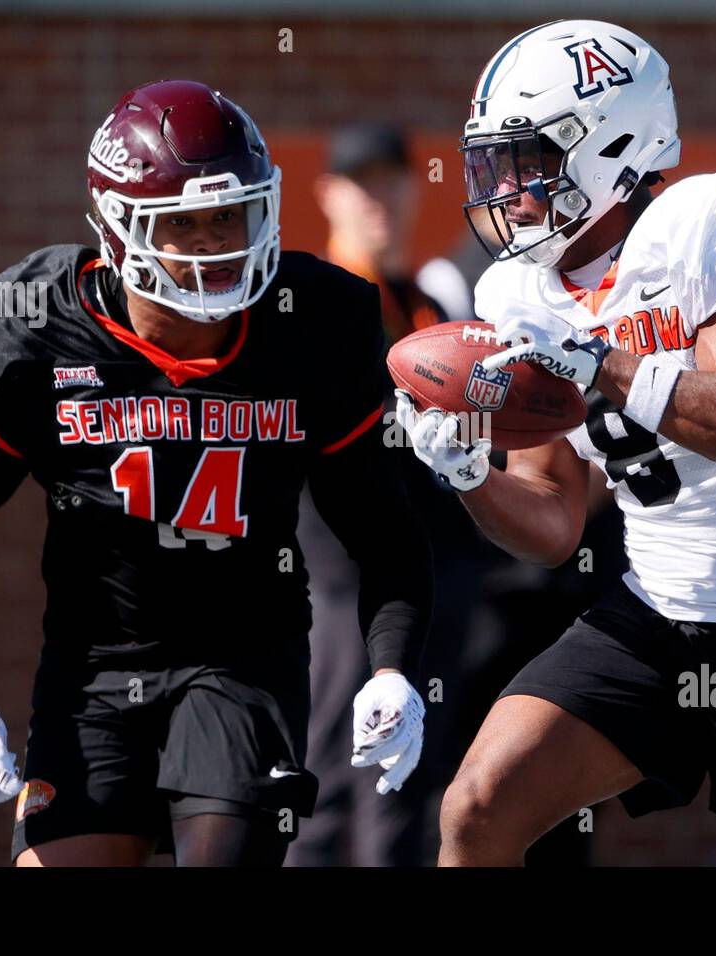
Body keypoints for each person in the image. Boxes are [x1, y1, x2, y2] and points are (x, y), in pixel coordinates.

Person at [395, 19, 716, 866]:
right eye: (496, 164)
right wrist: (465, 473)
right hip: (656, 609)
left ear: (613, 145)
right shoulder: (514, 290)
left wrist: (603, 360)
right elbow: (555, 522)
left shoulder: (713, 216)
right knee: (477, 809)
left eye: (528, 161)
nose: (506, 189)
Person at [0, 80, 432, 866]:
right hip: (92, 670)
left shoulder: (312, 324)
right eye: (183, 223)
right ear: (118, 230)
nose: (217, 243)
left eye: (230, 214)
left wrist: (393, 667)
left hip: (242, 663)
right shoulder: (40, 327)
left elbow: (383, 529)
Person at [289, 122, 490, 866]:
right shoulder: (313, 299)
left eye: (390, 180)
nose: (378, 198)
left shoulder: (429, 304)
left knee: (409, 781)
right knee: (333, 782)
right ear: (329, 195)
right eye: (359, 182)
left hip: (435, 572)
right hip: (343, 576)